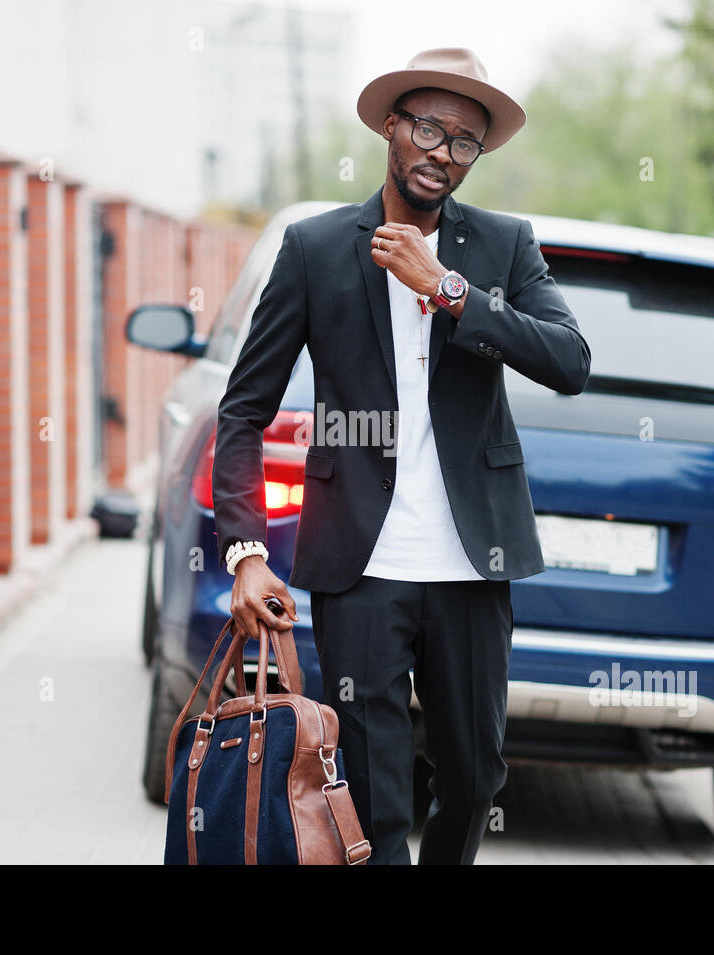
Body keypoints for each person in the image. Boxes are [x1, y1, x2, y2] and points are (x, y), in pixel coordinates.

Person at [212, 47, 591, 864]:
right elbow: (244, 409)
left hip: (471, 562)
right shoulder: (315, 249)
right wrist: (245, 550)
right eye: (428, 128)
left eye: (464, 142)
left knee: (474, 776)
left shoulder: (502, 246)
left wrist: (448, 289)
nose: (442, 154)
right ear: (392, 126)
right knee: (371, 788)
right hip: (362, 568)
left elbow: (570, 361)